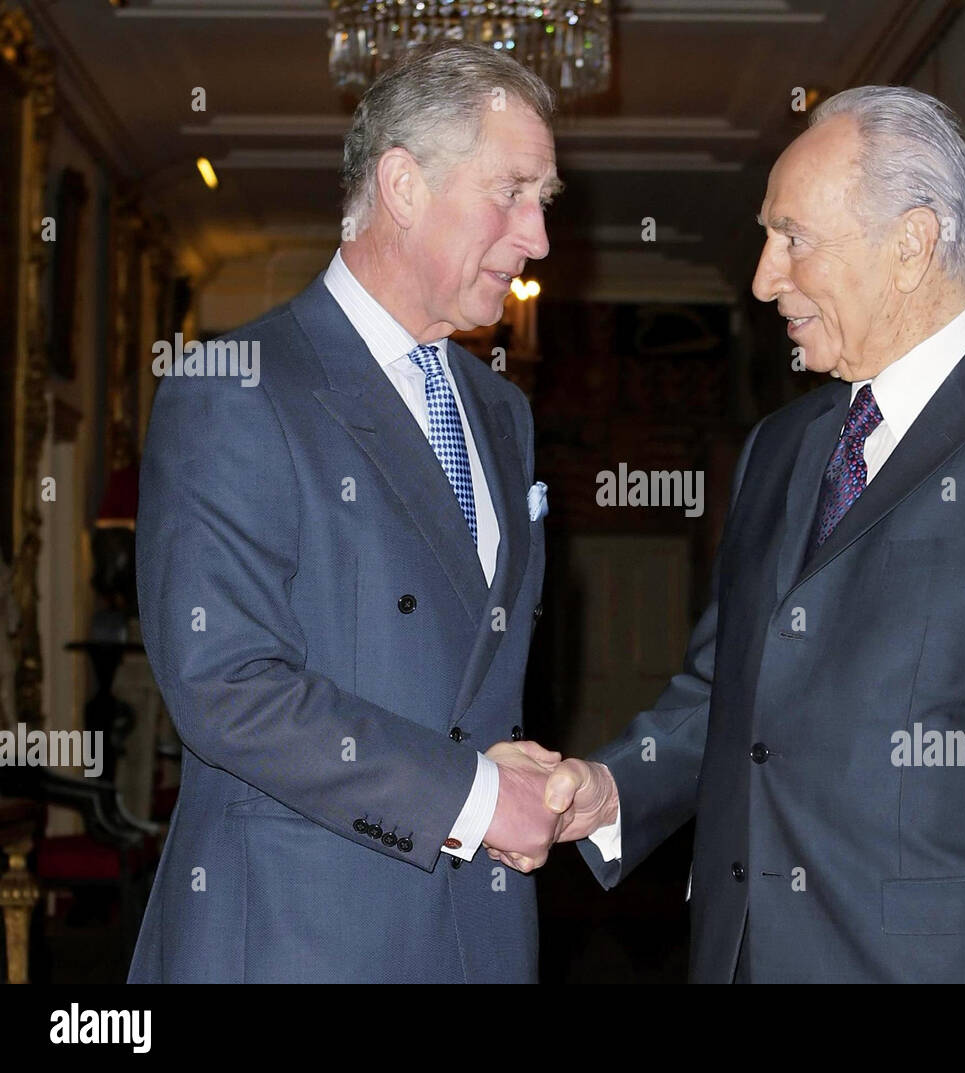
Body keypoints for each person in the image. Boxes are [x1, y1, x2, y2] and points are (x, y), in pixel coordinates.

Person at [523, 85, 965, 983]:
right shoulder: (779, 447)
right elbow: (730, 690)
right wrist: (614, 787)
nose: (762, 277)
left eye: (793, 238)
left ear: (909, 247)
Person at [130, 42, 569, 983]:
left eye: (546, 201)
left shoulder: (503, 411)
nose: (538, 238)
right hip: (297, 933)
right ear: (404, 185)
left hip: (480, 933)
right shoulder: (235, 384)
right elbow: (226, 686)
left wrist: (514, 780)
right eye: (514, 192)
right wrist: (479, 795)